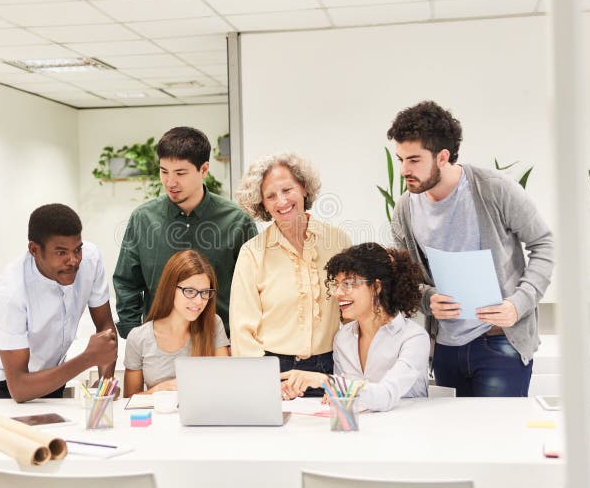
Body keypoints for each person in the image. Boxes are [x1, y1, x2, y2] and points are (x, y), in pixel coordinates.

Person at [387, 101, 554, 397]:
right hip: (446, 348)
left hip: (499, 342)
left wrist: (519, 304)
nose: (403, 170)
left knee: (496, 440)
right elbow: (405, 275)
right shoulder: (405, 208)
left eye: (413, 160)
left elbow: (544, 245)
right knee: (452, 441)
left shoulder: (493, 188)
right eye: (400, 159)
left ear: (442, 157)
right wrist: (427, 298)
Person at [114, 127, 257, 339]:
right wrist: (134, 335)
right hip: (159, 346)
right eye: (164, 171)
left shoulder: (237, 222)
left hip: (219, 344)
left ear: (204, 170)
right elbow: (127, 282)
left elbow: (253, 289)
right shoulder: (143, 219)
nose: (170, 182)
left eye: (180, 173)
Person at [230, 153, 351, 396]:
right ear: (262, 204)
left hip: (329, 368)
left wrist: (354, 369)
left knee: (334, 433)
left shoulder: (338, 241)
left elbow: (353, 313)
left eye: (287, 190)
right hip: (274, 372)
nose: (281, 201)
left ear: (304, 188)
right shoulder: (252, 252)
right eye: (270, 196)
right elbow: (243, 332)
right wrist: (265, 382)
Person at [0, 204, 118, 402]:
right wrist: (87, 358)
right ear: (34, 249)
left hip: (55, 371)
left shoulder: (90, 259)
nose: (73, 260)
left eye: (77, 250)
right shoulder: (11, 293)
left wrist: (106, 384)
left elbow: (104, 327)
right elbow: (19, 389)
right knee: (24, 434)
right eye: (61, 253)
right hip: (9, 385)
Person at [280, 243, 430, 411]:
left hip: (406, 432)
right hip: (360, 432)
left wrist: (325, 381)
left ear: (376, 287)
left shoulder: (414, 338)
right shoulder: (343, 338)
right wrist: (301, 389)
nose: (337, 293)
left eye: (348, 284)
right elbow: (344, 400)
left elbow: (386, 396)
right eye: (336, 284)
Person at [123, 250, 230, 397]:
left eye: (205, 292)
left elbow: (226, 384)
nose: (199, 301)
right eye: (190, 291)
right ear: (170, 289)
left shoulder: (213, 324)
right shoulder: (138, 338)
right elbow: (129, 400)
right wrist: (156, 391)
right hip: (159, 418)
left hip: (202, 416)